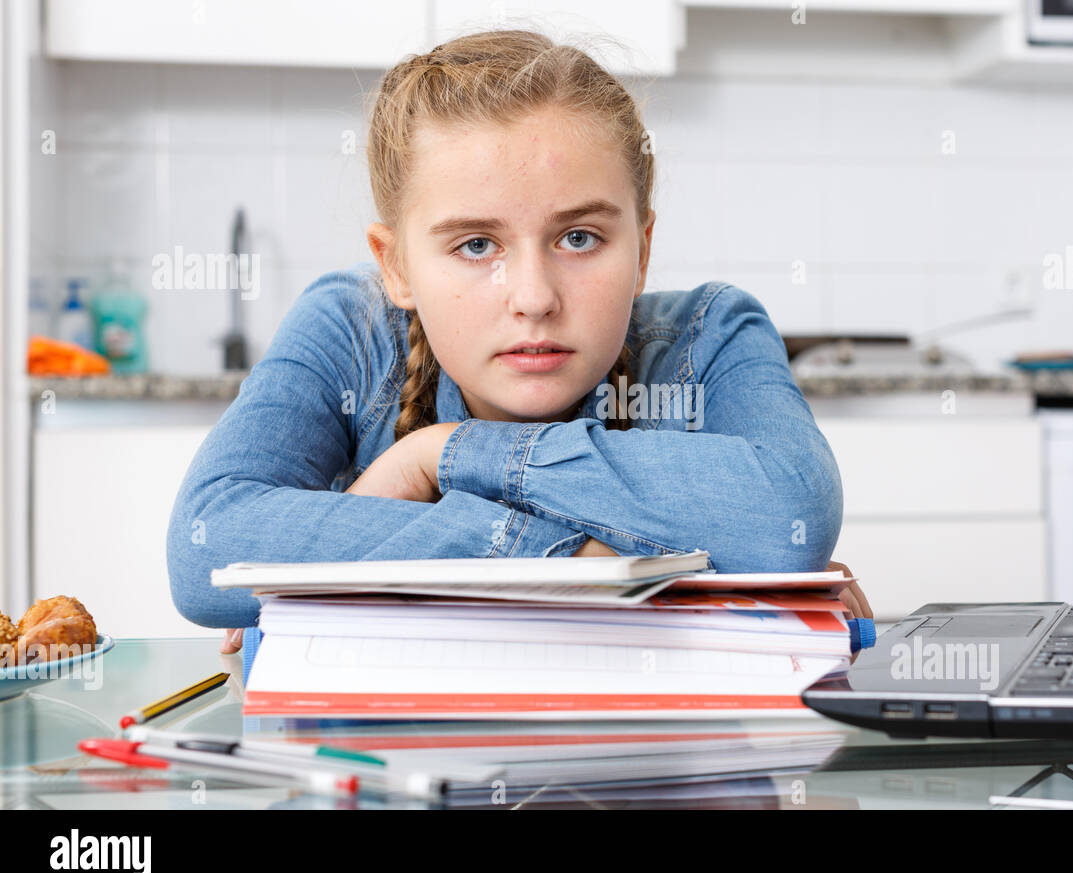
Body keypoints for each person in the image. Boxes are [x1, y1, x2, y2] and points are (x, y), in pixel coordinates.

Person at [164, 29, 870, 656]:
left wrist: (438, 460)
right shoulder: (351, 327)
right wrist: (584, 565)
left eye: (579, 238)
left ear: (643, 248)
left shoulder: (709, 334)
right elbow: (207, 548)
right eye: (476, 244)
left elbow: (789, 518)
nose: (534, 296)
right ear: (397, 266)